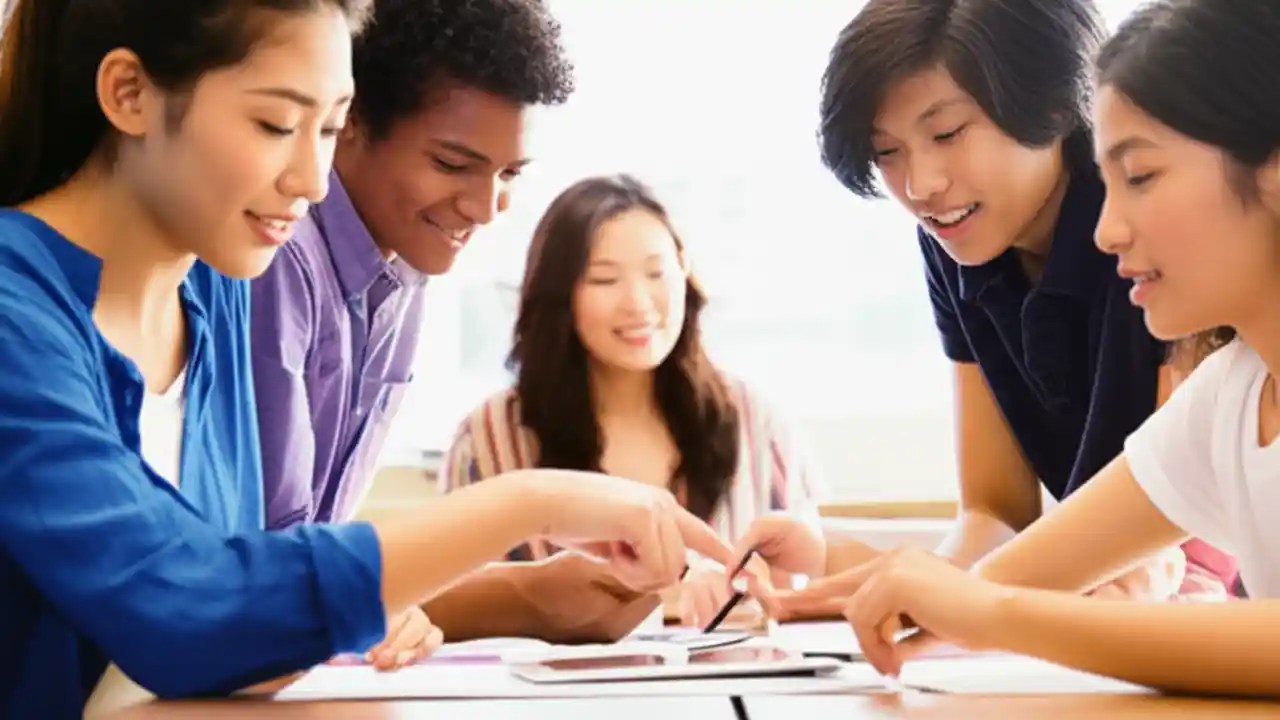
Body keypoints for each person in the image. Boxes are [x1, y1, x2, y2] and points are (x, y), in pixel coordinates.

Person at [0, 2, 729, 717]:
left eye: (328, 128)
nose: (314, 182)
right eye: (276, 125)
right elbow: (194, 612)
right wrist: (531, 503)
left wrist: (525, 596)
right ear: (129, 93)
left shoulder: (212, 293)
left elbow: (256, 621)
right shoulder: (19, 314)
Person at [747, 0, 1280, 698]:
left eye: (1141, 177)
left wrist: (988, 612)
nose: (1106, 230)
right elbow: (1003, 573)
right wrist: (869, 587)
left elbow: (1005, 599)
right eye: (887, 152)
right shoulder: (1231, 395)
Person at [432, 175, 826, 634]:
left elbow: (801, 587)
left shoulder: (756, 420)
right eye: (605, 279)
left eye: (656, 273)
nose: (638, 304)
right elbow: (444, 605)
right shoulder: (488, 437)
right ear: (560, 294)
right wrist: (667, 595)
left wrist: (774, 588)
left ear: (685, 273)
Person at [251, 0, 575, 531]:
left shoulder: (407, 264)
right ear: (350, 118)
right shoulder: (279, 258)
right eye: (452, 164)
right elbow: (278, 552)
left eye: (510, 174)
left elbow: (323, 548)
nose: (486, 209)